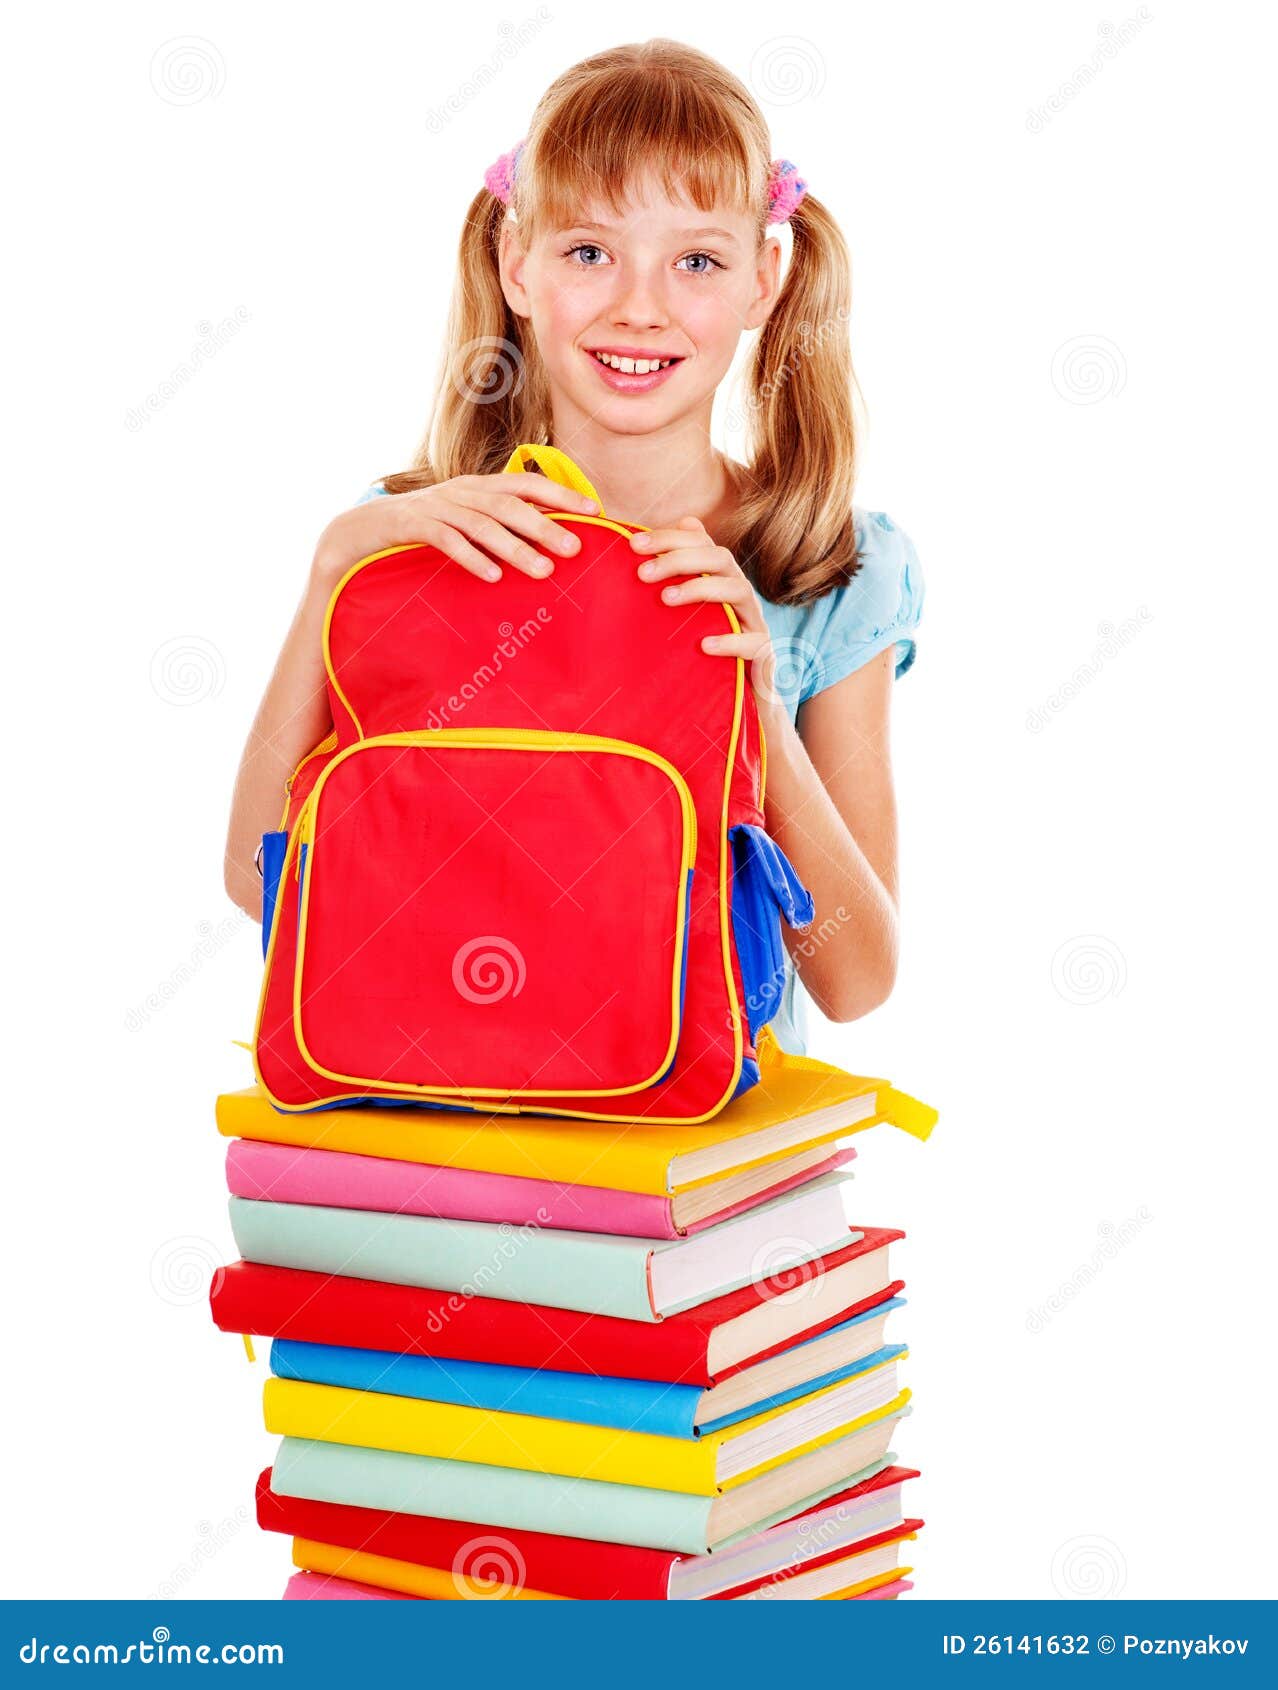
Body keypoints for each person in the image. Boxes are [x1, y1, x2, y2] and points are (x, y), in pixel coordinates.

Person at [224, 37, 924, 1058]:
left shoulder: (827, 568)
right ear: (517, 261)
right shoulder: (415, 540)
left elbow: (857, 980)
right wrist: (333, 568)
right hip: (445, 1128)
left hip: (708, 1169)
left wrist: (754, 706)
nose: (639, 305)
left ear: (764, 280)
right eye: (589, 252)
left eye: (697, 260)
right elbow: (261, 884)